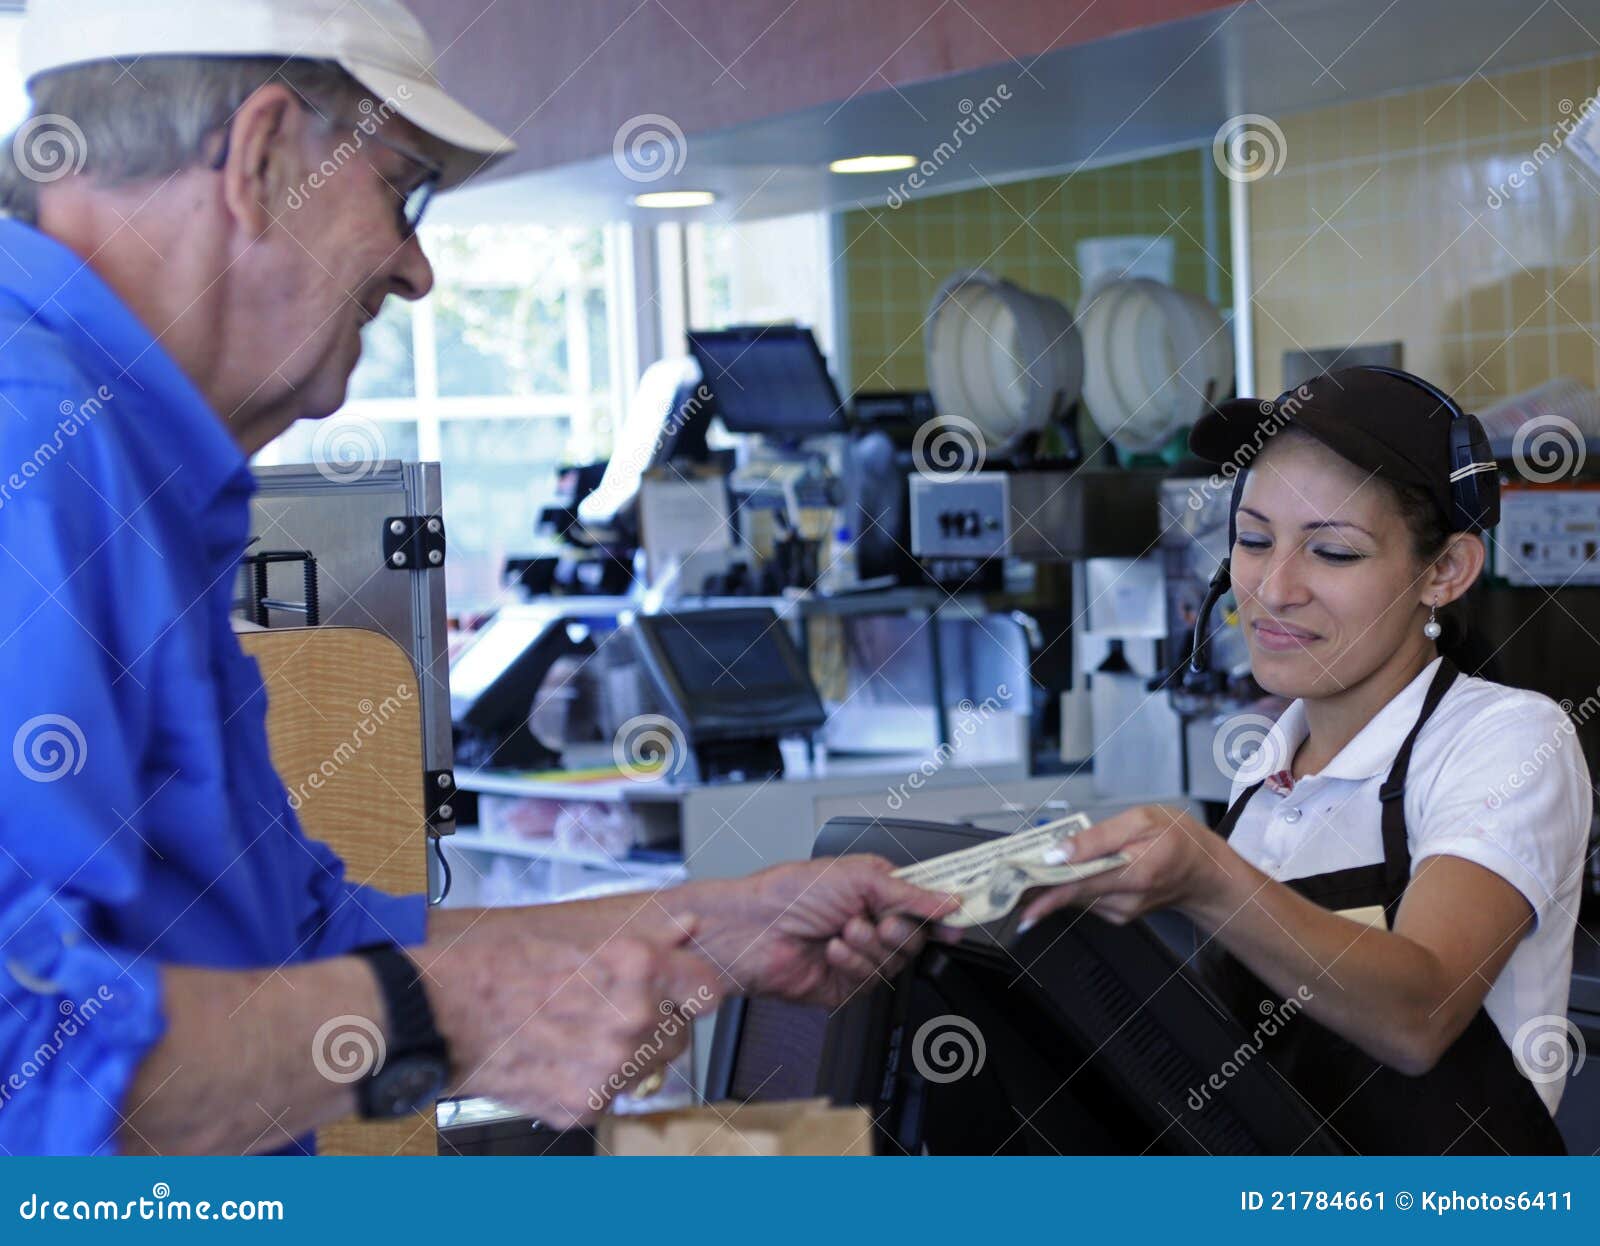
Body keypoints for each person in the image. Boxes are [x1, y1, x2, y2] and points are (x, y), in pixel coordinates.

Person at [0, 0, 956, 1156]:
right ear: (259, 159)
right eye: (402, 191)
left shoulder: (128, 458)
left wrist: (713, 926)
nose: (416, 267)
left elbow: (303, 949)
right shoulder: (32, 444)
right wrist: (449, 1016)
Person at [1020, 367, 1592, 1155]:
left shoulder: (1506, 739)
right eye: (1253, 541)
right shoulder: (1262, 771)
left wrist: (1207, 878)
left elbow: (1420, 1011)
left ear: (1445, 572)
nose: (1273, 588)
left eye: (1332, 551)